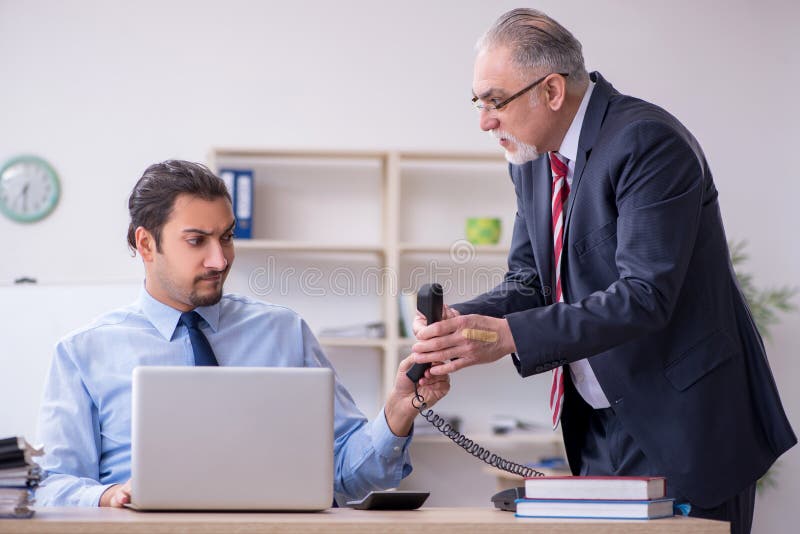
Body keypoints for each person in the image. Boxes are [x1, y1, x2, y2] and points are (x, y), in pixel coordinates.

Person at [410, 8, 795, 534]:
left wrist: (508, 337)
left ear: (550, 91)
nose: (485, 121)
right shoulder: (531, 161)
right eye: (478, 102)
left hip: (683, 427)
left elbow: (644, 294)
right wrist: (462, 322)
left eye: (495, 101)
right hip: (596, 426)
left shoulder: (648, 143)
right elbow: (529, 283)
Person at [35, 160, 449, 508]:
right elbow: (50, 486)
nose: (219, 259)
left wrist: (398, 410)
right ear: (146, 244)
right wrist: (109, 495)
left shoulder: (284, 331)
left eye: (227, 237)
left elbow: (346, 473)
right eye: (196, 241)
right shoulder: (83, 352)